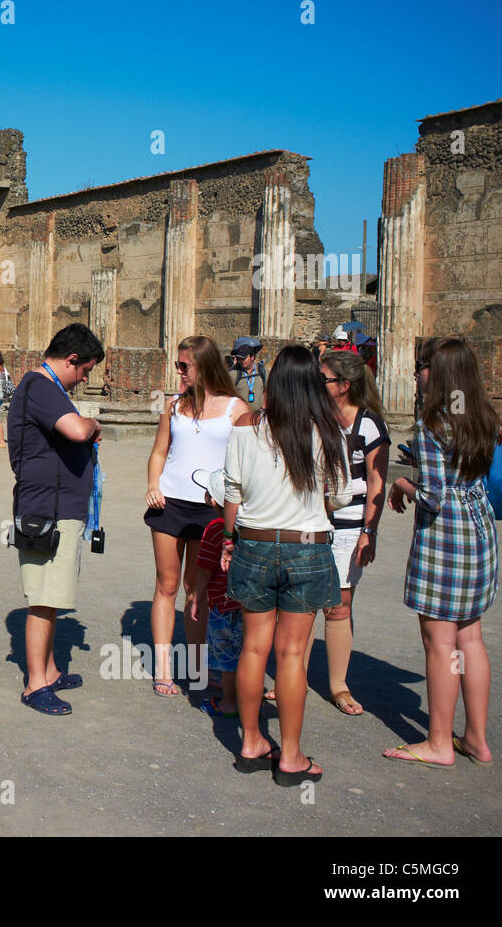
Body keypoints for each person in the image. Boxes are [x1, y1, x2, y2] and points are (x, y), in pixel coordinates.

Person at [220, 345, 350, 786]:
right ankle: (291, 756)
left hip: (254, 544)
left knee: (254, 648)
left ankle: (252, 741)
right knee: (292, 654)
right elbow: (341, 495)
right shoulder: (328, 431)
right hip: (307, 546)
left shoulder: (245, 427)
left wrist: (228, 539)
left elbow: (231, 493)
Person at [384, 337, 501, 768]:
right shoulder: (482, 416)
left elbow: (432, 496)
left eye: (422, 365)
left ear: (441, 372)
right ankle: (476, 738)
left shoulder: (432, 425)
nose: (417, 372)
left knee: (440, 642)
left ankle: (438, 742)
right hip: (480, 531)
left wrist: (401, 484)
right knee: (470, 635)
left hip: (446, 539)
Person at [10, 323, 104, 716]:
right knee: (45, 598)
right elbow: (78, 430)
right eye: (84, 371)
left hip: (57, 507)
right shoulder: (43, 387)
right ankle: (35, 684)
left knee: (54, 596)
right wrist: (94, 424)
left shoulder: (46, 389)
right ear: (70, 360)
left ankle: (48, 671)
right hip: (46, 511)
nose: (84, 380)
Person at [144, 335, 244, 698]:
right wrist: (153, 484)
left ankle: (199, 665)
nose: (179, 371)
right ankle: (164, 668)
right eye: (178, 364)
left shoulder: (236, 408)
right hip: (168, 504)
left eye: (184, 365)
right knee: (165, 586)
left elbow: (245, 460)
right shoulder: (173, 406)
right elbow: (159, 452)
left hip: (211, 510)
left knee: (197, 590)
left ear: (204, 366)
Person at [299, 349, 389, 716]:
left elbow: (375, 482)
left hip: (351, 525)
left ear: (344, 385)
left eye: (323, 380)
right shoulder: (314, 418)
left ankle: (338, 685)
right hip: (309, 521)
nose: (316, 385)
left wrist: (370, 531)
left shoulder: (369, 425)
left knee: (338, 606)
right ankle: (295, 677)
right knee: (302, 604)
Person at [190, 468, 243, 718]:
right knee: (248, 653)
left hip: (224, 605)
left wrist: (196, 597)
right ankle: (247, 699)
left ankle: (230, 702)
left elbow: (204, 570)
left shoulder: (215, 528)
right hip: (250, 604)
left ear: (212, 500)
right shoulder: (250, 524)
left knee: (229, 659)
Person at [229, 336, 265, 409]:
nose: (241, 360)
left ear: (252, 356)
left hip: (258, 417)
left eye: (244, 358)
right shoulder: (233, 374)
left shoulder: (262, 372)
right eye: (239, 358)